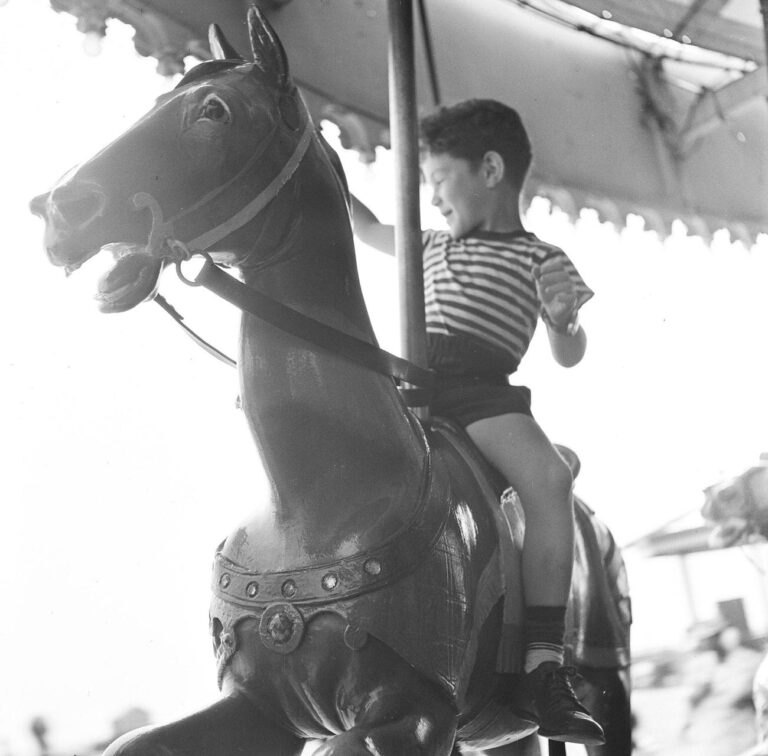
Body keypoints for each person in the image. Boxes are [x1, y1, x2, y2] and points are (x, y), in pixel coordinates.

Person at [350, 99, 603, 745]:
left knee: (548, 482)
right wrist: (322, 170)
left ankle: (543, 665)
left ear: (490, 168)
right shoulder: (427, 244)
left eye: (438, 180)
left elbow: (569, 354)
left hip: (483, 394)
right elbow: (366, 226)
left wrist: (564, 320)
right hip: (409, 386)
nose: (431, 198)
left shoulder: (542, 258)